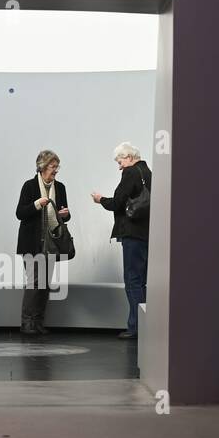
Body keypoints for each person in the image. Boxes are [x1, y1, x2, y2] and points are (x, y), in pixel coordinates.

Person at [91, 142, 150, 339]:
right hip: (147, 233)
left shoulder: (131, 172)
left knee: (132, 280)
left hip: (132, 233)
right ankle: (144, 325)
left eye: (120, 161)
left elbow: (116, 202)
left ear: (130, 157)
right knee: (141, 281)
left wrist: (101, 200)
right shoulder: (148, 173)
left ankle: (135, 327)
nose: (119, 166)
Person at [15, 150, 70, 335]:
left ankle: (38, 322)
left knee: (45, 283)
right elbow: (20, 213)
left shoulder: (60, 187)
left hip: (51, 242)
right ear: (42, 167)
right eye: (52, 166)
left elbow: (65, 215)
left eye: (57, 166)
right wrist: (38, 204)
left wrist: (65, 214)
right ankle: (26, 323)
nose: (56, 170)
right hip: (31, 242)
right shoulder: (29, 186)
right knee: (35, 282)